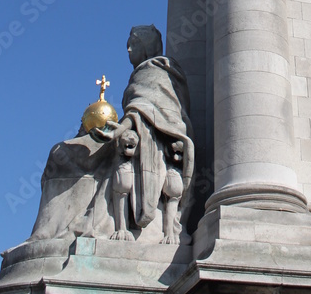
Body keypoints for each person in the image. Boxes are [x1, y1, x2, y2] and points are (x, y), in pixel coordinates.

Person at [29, 25, 194, 243]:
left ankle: (56, 229)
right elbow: (141, 110)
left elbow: (152, 114)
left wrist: (120, 129)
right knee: (60, 153)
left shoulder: (155, 72)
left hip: (144, 146)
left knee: (62, 156)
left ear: (145, 48)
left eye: (132, 44)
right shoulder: (145, 72)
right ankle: (48, 229)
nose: (128, 49)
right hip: (128, 136)